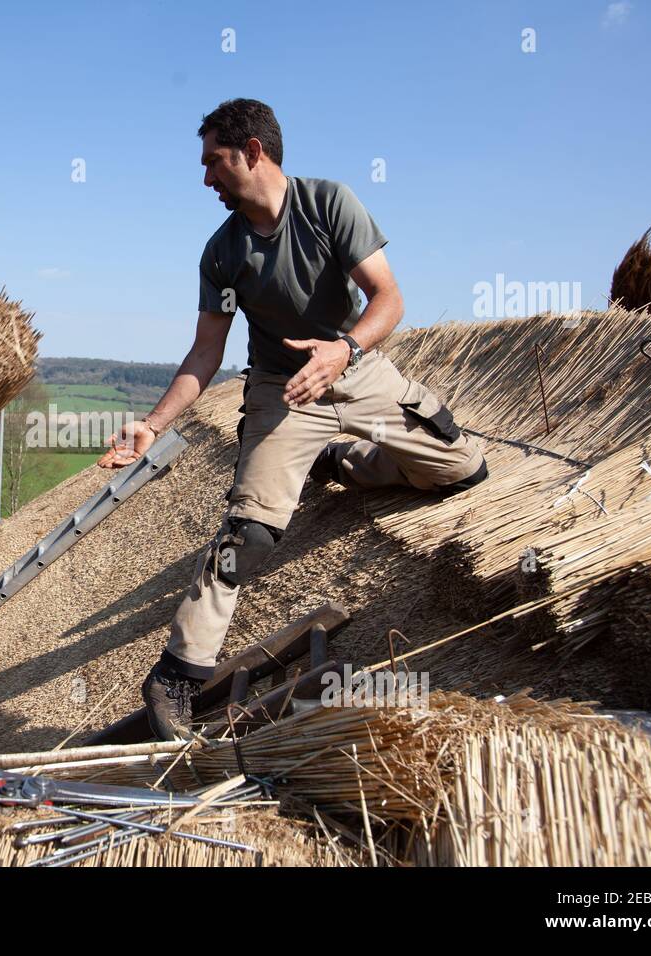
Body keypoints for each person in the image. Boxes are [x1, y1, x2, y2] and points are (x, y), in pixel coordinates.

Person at [98, 98, 489, 740]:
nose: (206, 180)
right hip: (284, 393)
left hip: (357, 370)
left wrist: (347, 349)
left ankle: (347, 463)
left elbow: (387, 298)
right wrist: (152, 423)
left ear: (253, 150)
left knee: (462, 469)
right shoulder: (222, 254)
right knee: (247, 533)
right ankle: (176, 672)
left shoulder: (330, 204)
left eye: (214, 162)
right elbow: (206, 352)